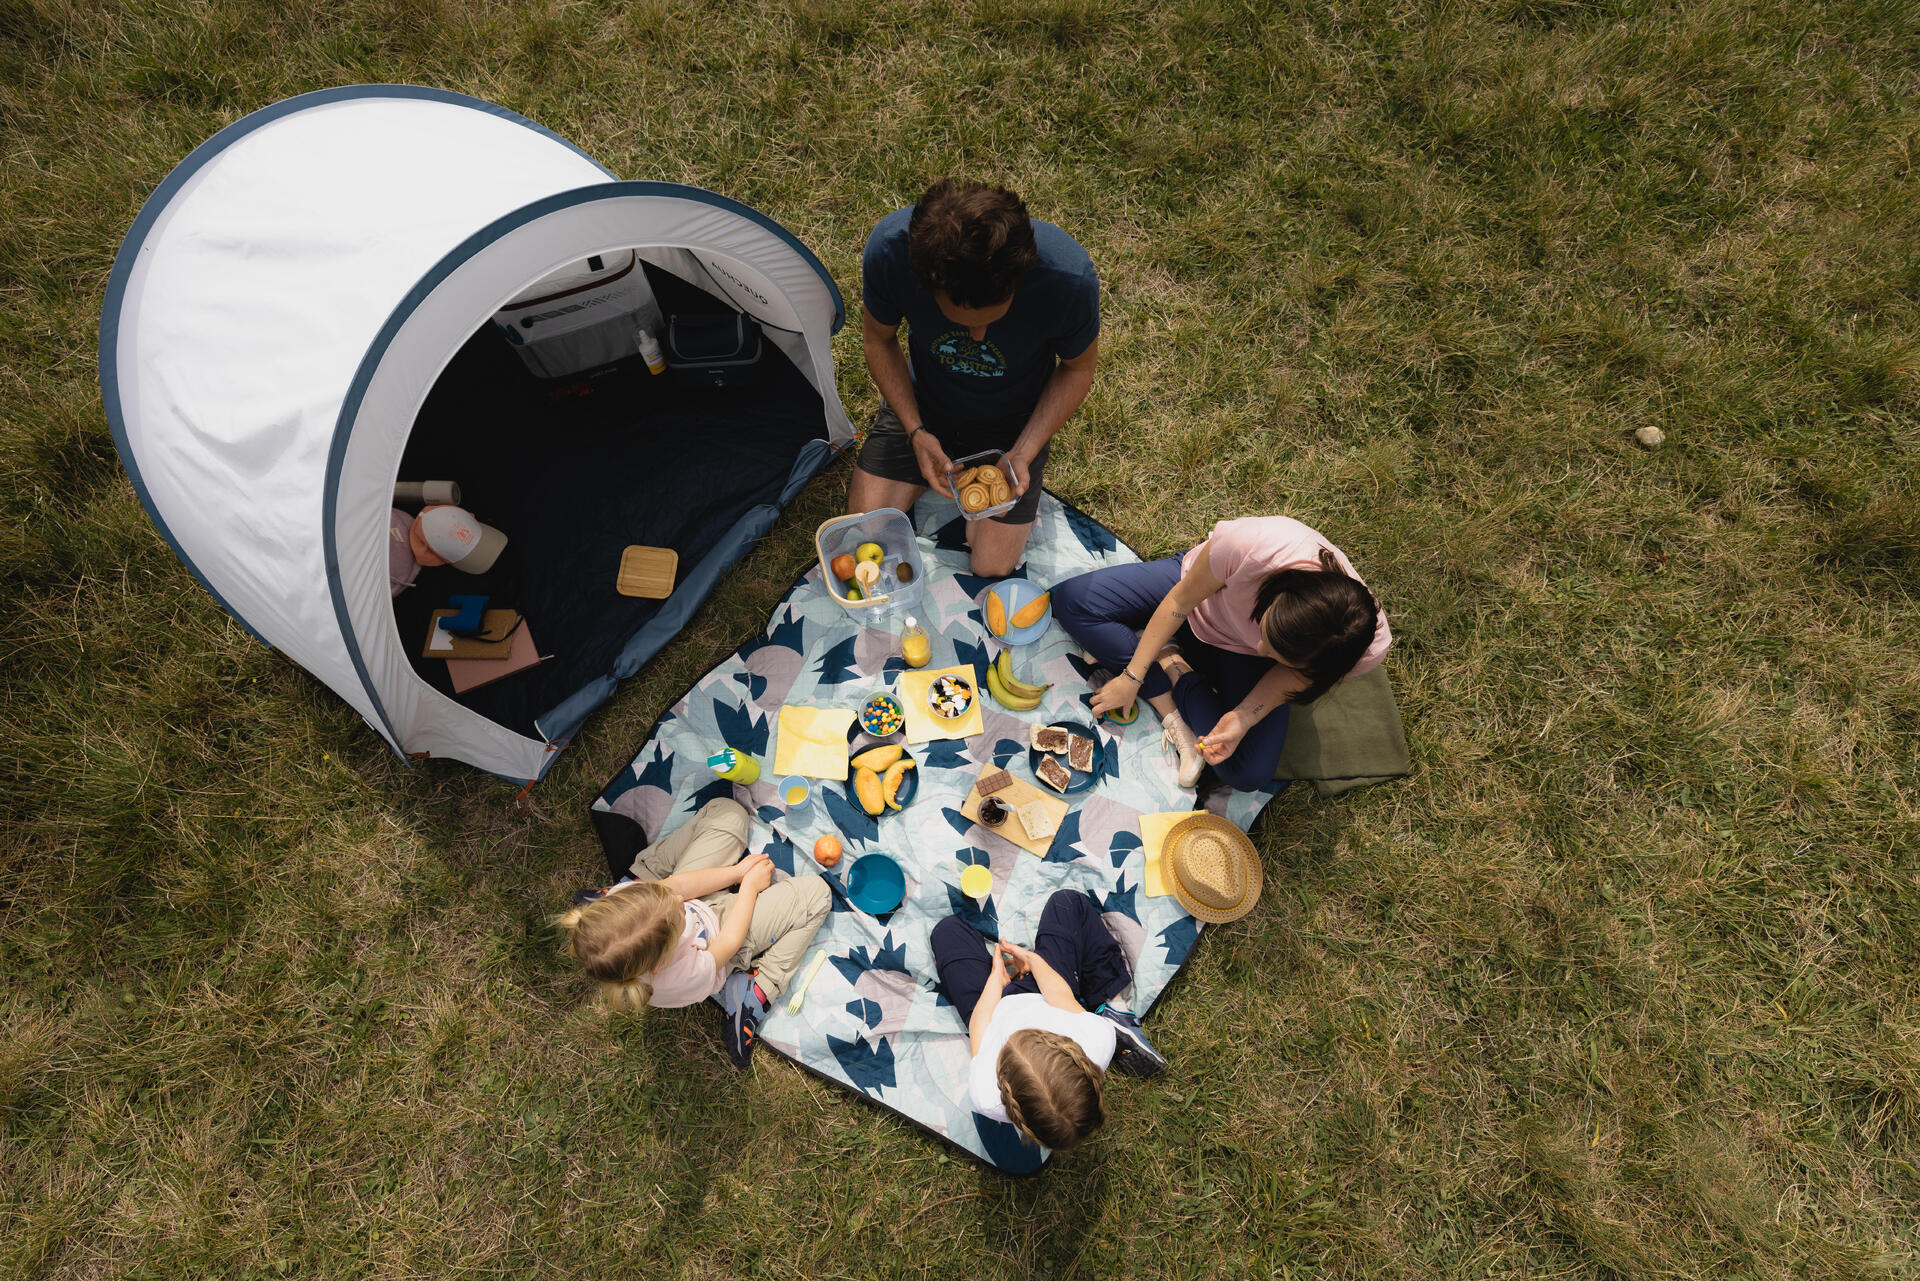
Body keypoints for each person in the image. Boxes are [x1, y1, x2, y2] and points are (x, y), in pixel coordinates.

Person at [849, 179, 1100, 576]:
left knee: (992, 566)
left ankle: (983, 491)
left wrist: (1024, 452)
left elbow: (1078, 368)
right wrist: (915, 431)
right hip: (924, 402)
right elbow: (879, 341)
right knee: (863, 532)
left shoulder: (1067, 280)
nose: (978, 337)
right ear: (928, 285)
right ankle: (925, 461)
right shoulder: (892, 252)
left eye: (990, 320)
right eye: (963, 323)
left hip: (1014, 424)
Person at [1052, 516, 1391, 791]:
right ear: (1280, 592)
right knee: (1073, 601)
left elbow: (1294, 677)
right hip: (1198, 603)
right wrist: (1132, 675)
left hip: (1240, 664)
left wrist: (1244, 716)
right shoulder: (1253, 545)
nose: (1260, 647)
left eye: (1277, 653)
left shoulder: (1359, 651)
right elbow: (1180, 600)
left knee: (1247, 773)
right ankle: (1165, 685)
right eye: (1265, 630)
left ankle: (1172, 659)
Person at [558, 798, 829, 1068]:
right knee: (817, 895)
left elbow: (679, 887)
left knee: (728, 812)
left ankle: (641, 876)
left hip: (696, 911)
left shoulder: (645, 905)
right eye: (677, 916)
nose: (678, 902)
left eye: (658, 895)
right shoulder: (684, 976)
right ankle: (756, 990)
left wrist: (735, 872)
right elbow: (729, 941)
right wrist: (749, 887)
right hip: (722, 936)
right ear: (662, 959)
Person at [931, 890, 1167, 1153]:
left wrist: (996, 978)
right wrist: (1032, 960)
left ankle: (1104, 1002)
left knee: (947, 931)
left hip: (991, 1009)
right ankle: (1112, 1008)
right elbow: (1058, 993)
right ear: (1071, 1049)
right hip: (1042, 993)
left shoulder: (986, 1095)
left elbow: (979, 1025)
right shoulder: (1096, 1041)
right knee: (1067, 903)